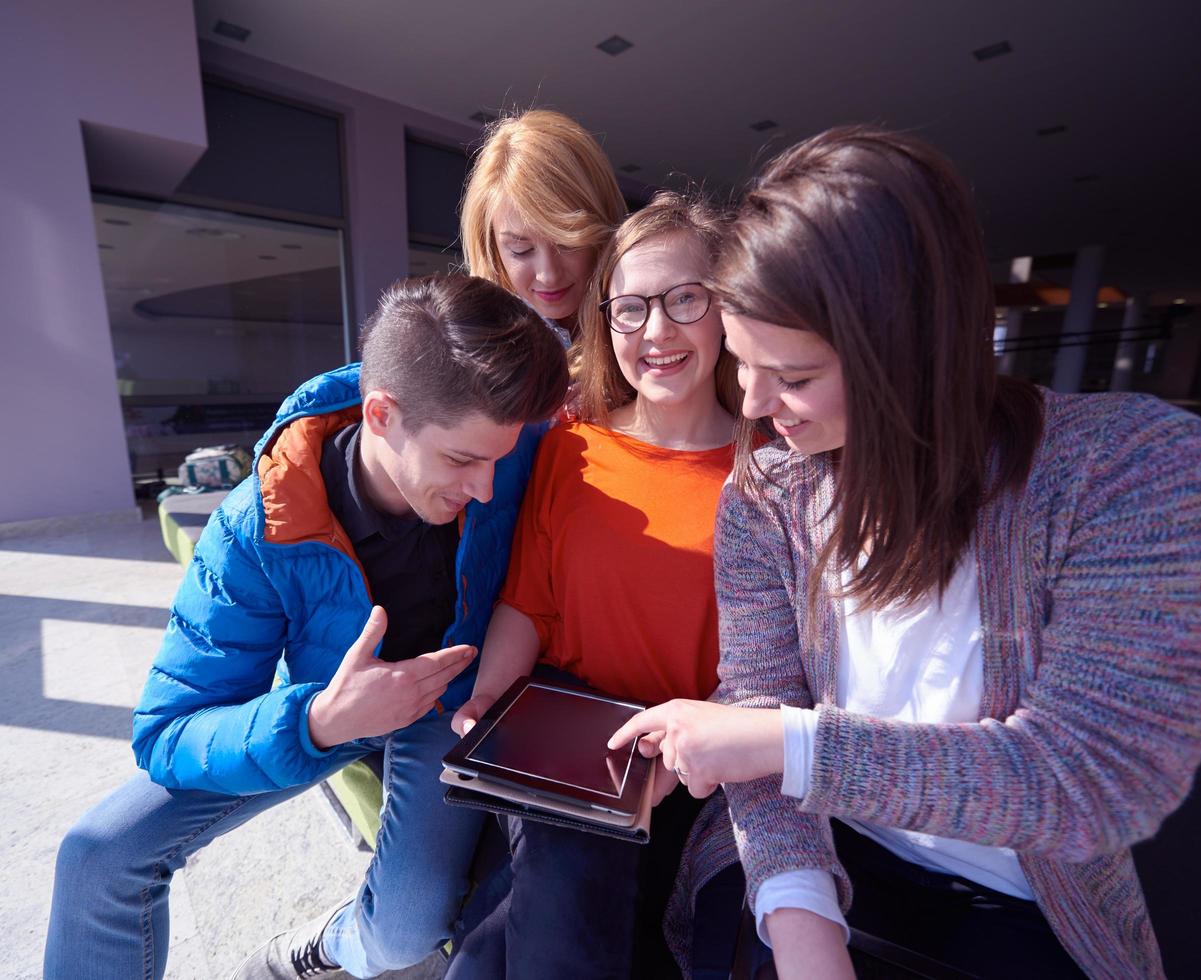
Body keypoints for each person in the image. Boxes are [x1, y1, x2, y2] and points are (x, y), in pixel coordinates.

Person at [610, 127, 1201, 979]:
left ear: (910, 352)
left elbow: (1094, 780)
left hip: (1024, 898)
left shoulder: (1132, 471)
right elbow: (759, 708)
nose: (756, 409)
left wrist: (787, 743)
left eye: (793, 376)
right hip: (808, 856)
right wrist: (805, 931)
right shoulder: (768, 492)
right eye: (741, 363)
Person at [44, 274, 569, 980]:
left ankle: (326, 944)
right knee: (96, 854)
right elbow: (167, 734)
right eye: (461, 460)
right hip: (324, 707)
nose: (484, 485)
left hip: (448, 712)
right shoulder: (256, 525)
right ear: (380, 415)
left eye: (497, 460)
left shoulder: (514, 441)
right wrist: (319, 720)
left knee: (401, 935)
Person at [445, 192, 742, 980]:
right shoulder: (570, 444)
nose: (656, 332)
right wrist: (489, 703)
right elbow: (529, 600)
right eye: (630, 308)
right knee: (550, 917)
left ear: (725, 309)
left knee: (511, 948)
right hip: (570, 737)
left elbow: (783, 660)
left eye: (684, 299)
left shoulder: (770, 467)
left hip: (696, 761)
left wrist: (685, 761)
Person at [460, 108, 628, 343]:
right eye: (521, 249)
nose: (548, 275)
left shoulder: (647, 332)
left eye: (567, 243)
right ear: (491, 247)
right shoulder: (471, 353)